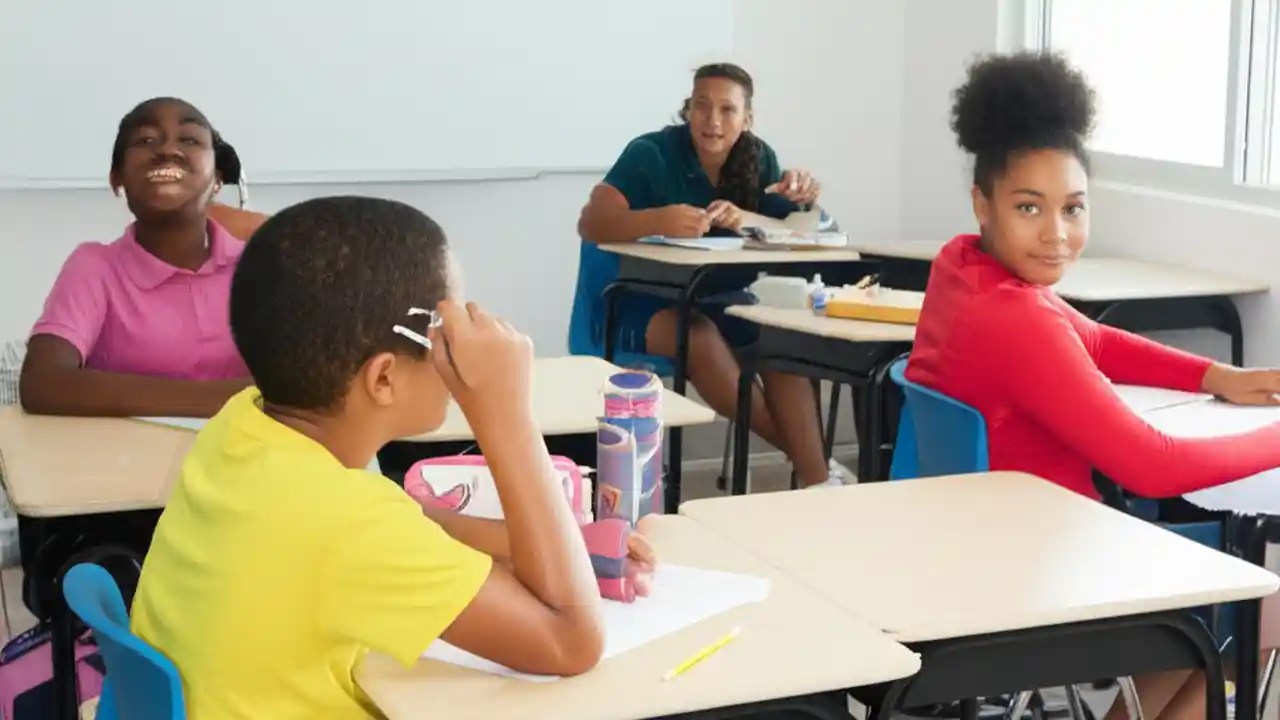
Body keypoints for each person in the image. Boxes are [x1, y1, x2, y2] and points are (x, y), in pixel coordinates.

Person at [131, 196, 656, 718]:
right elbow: (570, 643)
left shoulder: (243, 426)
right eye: (445, 328)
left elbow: (413, 521)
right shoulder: (345, 522)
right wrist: (506, 413)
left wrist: (560, 545)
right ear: (383, 377)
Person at [907, 52, 1280, 720]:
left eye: (1073, 209)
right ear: (982, 203)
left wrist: (1214, 374)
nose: (1056, 234)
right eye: (1030, 207)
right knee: (1268, 601)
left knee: (1211, 596)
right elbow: (1152, 465)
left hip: (980, 554)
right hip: (1053, 579)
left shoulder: (963, 269)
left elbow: (1096, 339)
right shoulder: (1013, 317)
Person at [575, 62, 846, 488]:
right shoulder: (651, 153)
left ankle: (815, 478)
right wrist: (656, 219)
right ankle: (815, 468)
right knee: (697, 335)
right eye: (702, 106)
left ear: (747, 119)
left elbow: (801, 233)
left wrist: (803, 202)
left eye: (727, 109)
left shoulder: (759, 158)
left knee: (781, 338)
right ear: (688, 110)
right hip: (636, 301)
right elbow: (591, 223)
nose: (713, 120)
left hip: (721, 300)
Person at [20, 97, 254, 418]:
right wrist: (225, 398)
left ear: (217, 178)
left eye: (189, 139)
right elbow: (42, 384)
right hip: (119, 460)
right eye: (145, 140)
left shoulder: (262, 267)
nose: (168, 150)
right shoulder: (95, 267)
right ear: (117, 178)